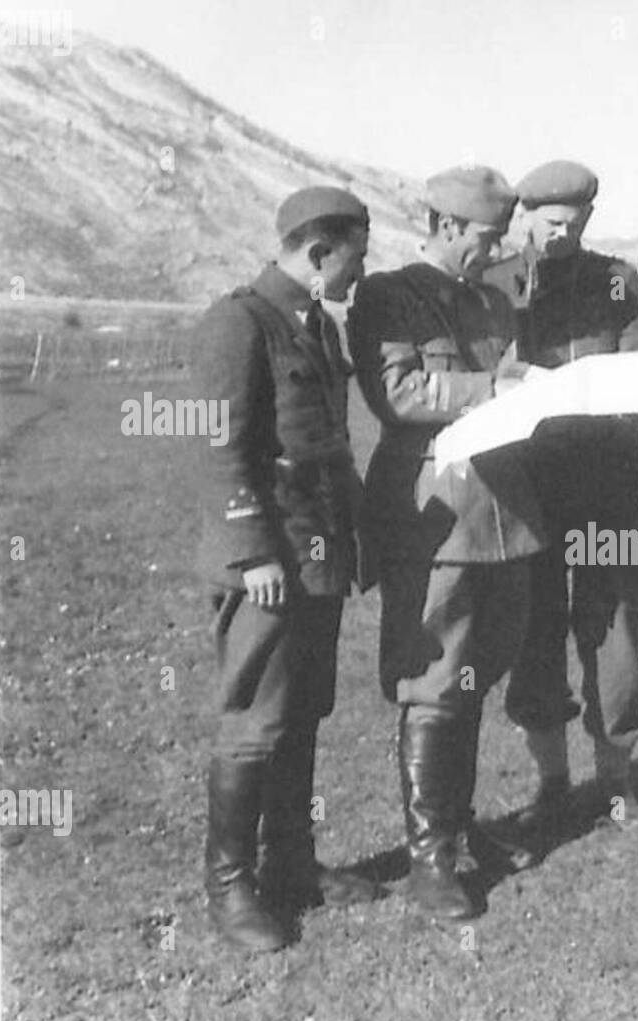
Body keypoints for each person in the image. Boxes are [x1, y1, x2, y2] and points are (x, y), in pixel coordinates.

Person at [347, 166, 547, 920]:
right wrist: (484, 390)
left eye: (499, 239)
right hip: (435, 518)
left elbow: (500, 379)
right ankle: (430, 861)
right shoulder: (389, 295)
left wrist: (523, 383)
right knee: (435, 677)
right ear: (447, 226)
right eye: (486, 238)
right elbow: (397, 394)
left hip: (503, 512)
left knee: (478, 671)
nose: (492, 252)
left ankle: (458, 829)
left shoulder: (494, 298)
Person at [194, 185, 381, 953]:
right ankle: (230, 886)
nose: (358, 278)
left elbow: (324, 448)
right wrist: (252, 555)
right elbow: (219, 446)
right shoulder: (238, 322)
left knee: (304, 709)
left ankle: (291, 865)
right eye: (354, 261)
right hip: (268, 561)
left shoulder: (314, 328)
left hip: (317, 554)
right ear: (318, 252)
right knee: (256, 720)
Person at [482, 160, 638, 837]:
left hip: (610, 487)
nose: (559, 231)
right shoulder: (497, 283)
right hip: (526, 492)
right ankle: (551, 783)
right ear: (524, 216)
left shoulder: (619, 281)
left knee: (616, 639)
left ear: (589, 217)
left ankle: (617, 782)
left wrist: (607, 403)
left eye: (572, 220)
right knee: (534, 638)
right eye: (547, 220)